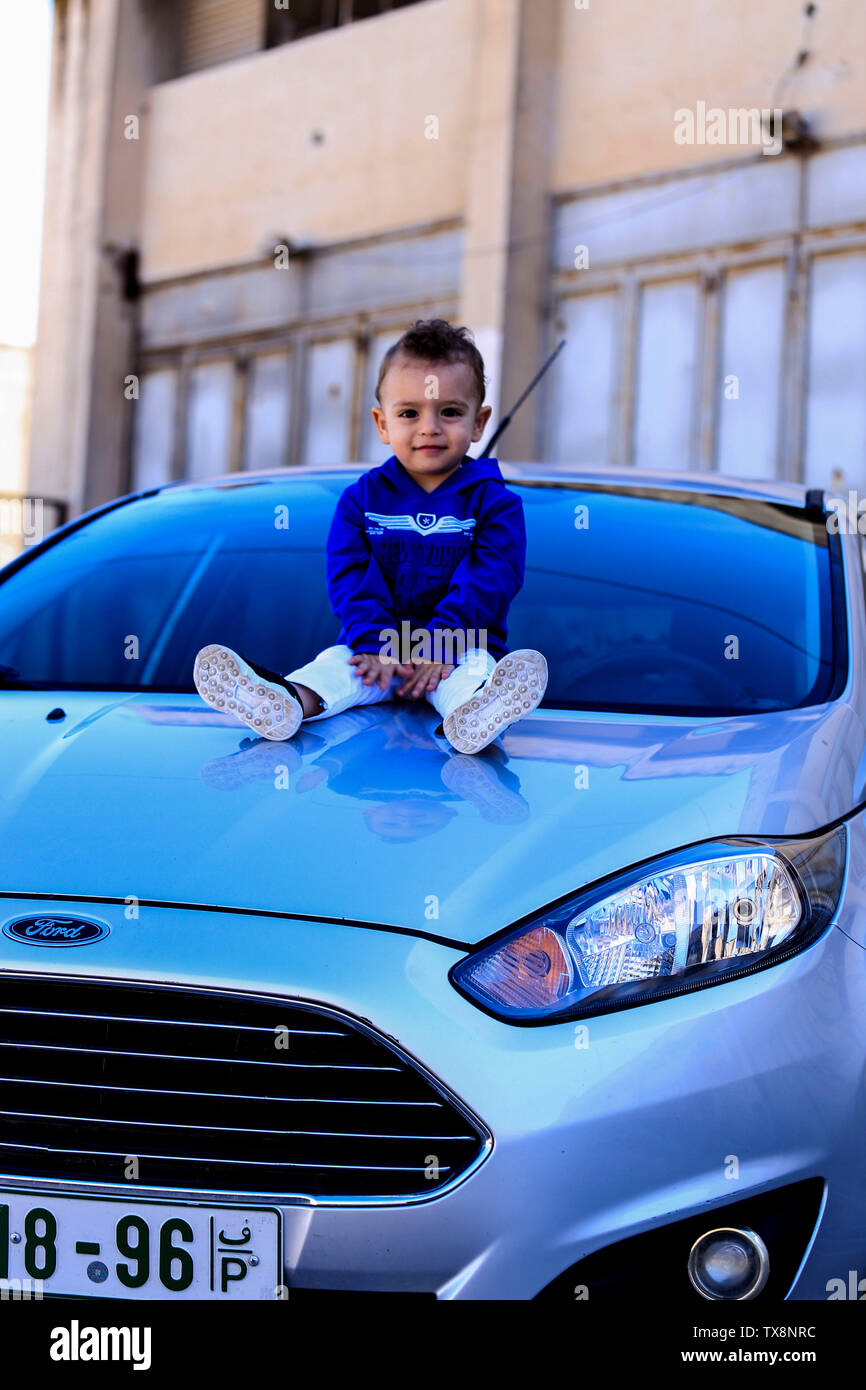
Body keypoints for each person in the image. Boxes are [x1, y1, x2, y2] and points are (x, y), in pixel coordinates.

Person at [193, 318, 547, 755]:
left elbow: (491, 579)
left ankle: (476, 715)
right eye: (409, 413)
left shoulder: (495, 503)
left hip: (455, 649)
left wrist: (437, 644)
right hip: (373, 652)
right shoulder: (360, 501)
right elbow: (350, 577)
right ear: (382, 423)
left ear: (479, 423)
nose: (429, 427)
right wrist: (380, 646)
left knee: (473, 672)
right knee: (332, 667)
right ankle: (285, 701)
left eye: (450, 412)